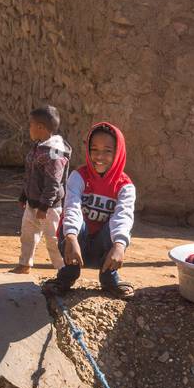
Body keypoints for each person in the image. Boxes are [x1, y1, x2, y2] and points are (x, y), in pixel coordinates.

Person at [47, 122, 135, 300]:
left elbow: (123, 217)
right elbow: (72, 207)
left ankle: (109, 279)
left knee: (118, 231)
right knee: (72, 223)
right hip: (75, 247)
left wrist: (119, 246)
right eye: (94, 149)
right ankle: (67, 277)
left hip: (105, 251)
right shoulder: (78, 176)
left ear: (118, 153)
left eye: (108, 151)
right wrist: (71, 237)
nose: (99, 156)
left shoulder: (125, 186)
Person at [13, 103, 70, 275]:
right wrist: (24, 195)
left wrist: (44, 206)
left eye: (30, 125)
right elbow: (30, 175)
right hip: (33, 203)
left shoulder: (54, 153)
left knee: (53, 240)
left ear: (40, 127)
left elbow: (53, 182)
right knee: (28, 235)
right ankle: (25, 264)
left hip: (49, 208)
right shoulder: (38, 147)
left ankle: (64, 270)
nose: (28, 128)